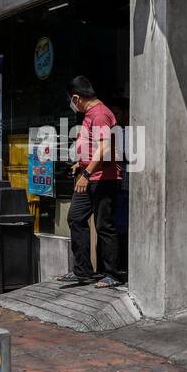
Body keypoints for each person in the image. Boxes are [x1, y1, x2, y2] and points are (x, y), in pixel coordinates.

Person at [56, 75, 122, 288]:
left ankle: (111, 274)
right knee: (75, 218)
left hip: (104, 179)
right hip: (89, 174)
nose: (72, 104)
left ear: (76, 98)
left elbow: (103, 149)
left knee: (104, 225)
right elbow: (93, 148)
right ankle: (82, 271)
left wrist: (85, 174)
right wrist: (80, 166)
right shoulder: (89, 114)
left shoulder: (100, 114)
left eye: (70, 100)